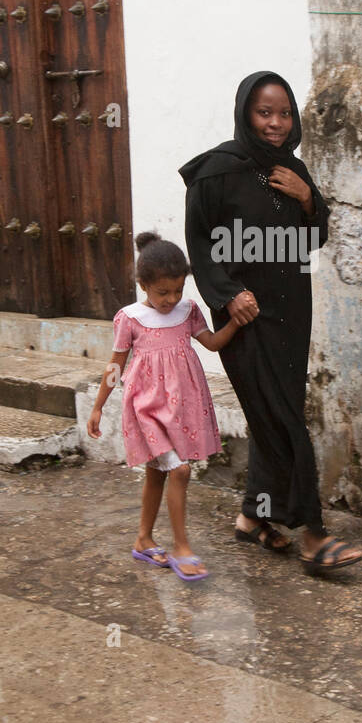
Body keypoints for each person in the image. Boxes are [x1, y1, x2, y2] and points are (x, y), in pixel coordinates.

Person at [179, 71, 362, 577]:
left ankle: (252, 517)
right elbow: (200, 245)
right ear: (246, 113)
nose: (276, 123)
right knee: (283, 420)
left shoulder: (292, 169)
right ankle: (313, 534)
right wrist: (226, 296)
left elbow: (313, 238)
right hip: (245, 317)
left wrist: (308, 199)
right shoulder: (216, 173)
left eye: (284, 113)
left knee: (271, 416)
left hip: (291, 314)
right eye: (265, 112)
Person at [87, 231, 249, 581]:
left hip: (179, 411)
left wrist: (236, 321)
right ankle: (181, 547)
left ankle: (144, 539)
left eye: (178, 290)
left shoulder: (188, 311)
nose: (171, 298)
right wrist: (99, 406)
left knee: (158, 472)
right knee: (179, 470)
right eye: (163, 292)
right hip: (146, 408)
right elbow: (115, 365)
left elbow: (213, 343)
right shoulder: (129, 318)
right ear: (143, 284)